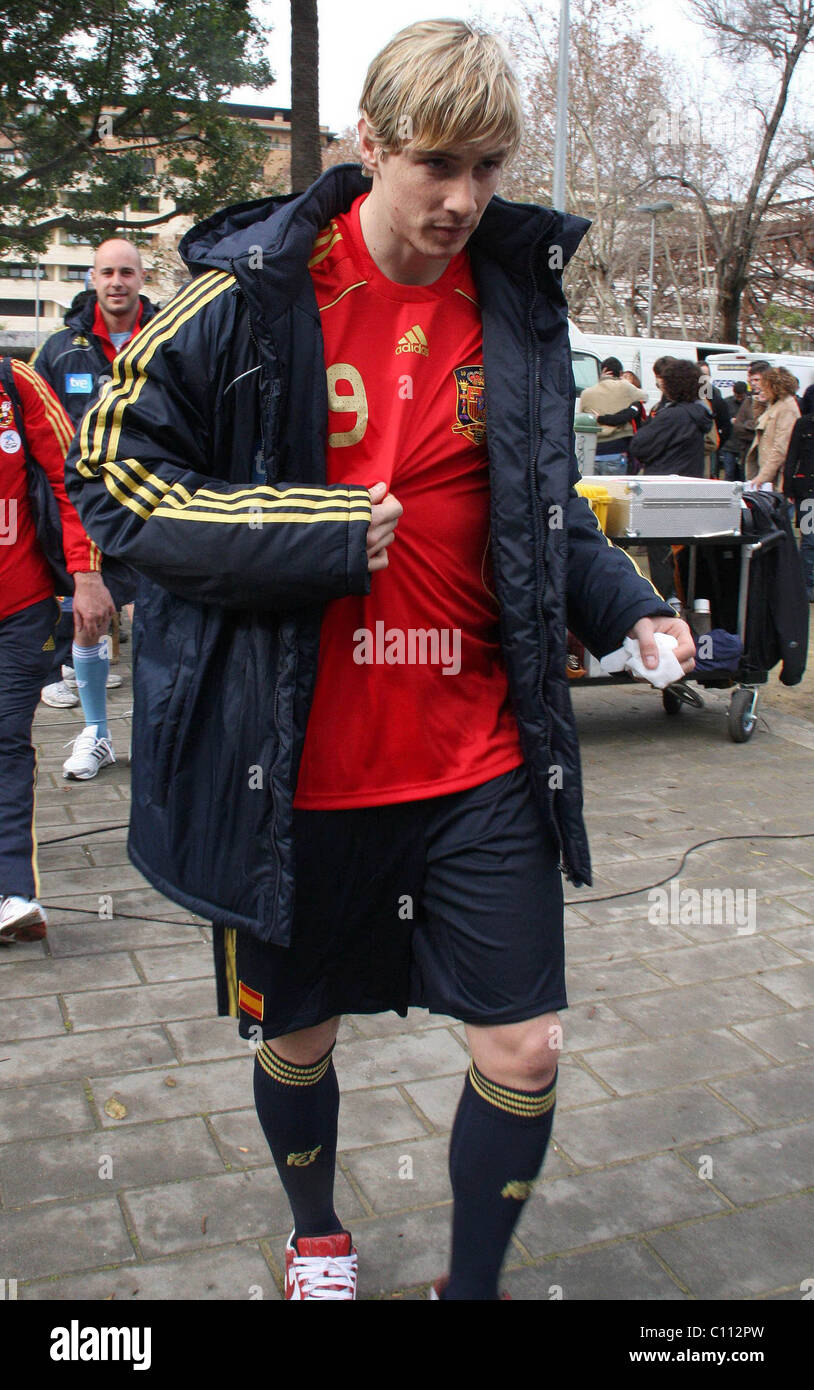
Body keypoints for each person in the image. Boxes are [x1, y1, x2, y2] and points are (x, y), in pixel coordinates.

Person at [64, 19, 694, 1301]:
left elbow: (543, 506)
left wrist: (628, 606)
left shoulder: (515, 302)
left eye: (490, 168)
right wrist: (310, 528)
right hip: (291, 772)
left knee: (523, 1045)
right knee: (297, 1034)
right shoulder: (250, 290)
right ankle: (317, 1237)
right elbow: (113, 475)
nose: (465, 198)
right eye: (437, 165)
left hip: (476, 761)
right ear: (370, 143)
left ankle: (473, 1288)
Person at [0, 358, 115, 942]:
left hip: (19, 611)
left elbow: (79, 478)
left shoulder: (15, 383)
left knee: (3, 741)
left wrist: (86, 575)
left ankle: (11, 892)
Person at [33, 240, 154, 775]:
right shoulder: (60, 349)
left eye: (127, 271)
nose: (117, 282)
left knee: (163, 624)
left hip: (159, 503)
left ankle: (159, 741)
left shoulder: (170, 335)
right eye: (107, 272)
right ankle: (97, 733)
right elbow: (42, 440)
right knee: (88, 618)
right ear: (92, 277)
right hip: (91, 511)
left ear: (141, 278)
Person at [627, 359, 714, 600]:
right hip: (688, 487)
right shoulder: (699, 414)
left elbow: (639, 445)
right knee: (680, 554)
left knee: (662, 555)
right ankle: (683, 600)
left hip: (662, 492)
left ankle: (667, 602)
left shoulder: (672, 416)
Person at [578, 356, 647, 473]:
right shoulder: (625, 387)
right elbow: (644, 396)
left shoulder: (586, 393)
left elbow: (583, 419)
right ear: (620, 373)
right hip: (616, 449)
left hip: (592, 450)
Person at [745, 366, 800, 490]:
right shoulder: (775, 404)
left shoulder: (786, 407)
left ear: (773, 386)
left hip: (776, 476)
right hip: (767, 471)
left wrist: (763, 476)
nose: (761, 387)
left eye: (764, 384)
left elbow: (781, 447)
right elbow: (758, 422)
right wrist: (759, 402)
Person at [784, 412, 814, 600]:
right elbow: (792, 455)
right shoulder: (804, 424)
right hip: (807, 492)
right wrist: (789, 488)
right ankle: (807, 585)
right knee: (809, 539)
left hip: (805, 491)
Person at [698, 361, 732, 478]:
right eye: (700, 374)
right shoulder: (688, 396)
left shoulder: (716, 398)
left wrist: (717, 444)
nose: (703, 378)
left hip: (709, 448)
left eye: (706, 375)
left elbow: (726, 427)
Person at [717, 380, 747, 481]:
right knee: (729, 473)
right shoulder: (727, 402)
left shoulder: (749, 404)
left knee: (743, 474)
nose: (739, 398)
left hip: (743, 444)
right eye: (737, 395)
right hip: (729, 445)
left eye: (741, 396)